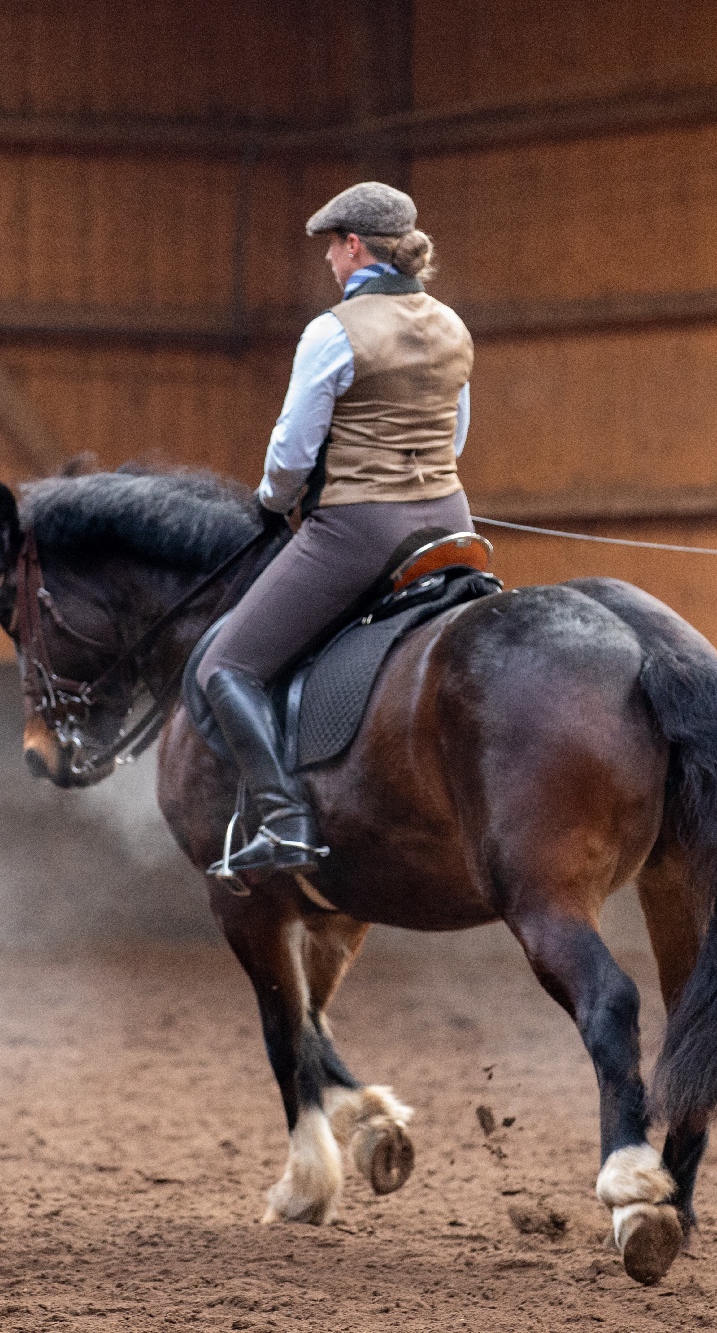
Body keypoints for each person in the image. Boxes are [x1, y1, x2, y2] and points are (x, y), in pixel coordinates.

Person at [195, 181, 475, 877]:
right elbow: (454, 437)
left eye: (331, 246)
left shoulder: (333, 332)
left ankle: (284, 819)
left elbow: (291, 453)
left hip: (359, 533)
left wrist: (272, 501)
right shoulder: (451, 325)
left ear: (354, 247)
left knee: (224, 667)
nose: (326, 260)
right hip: (450, 525)